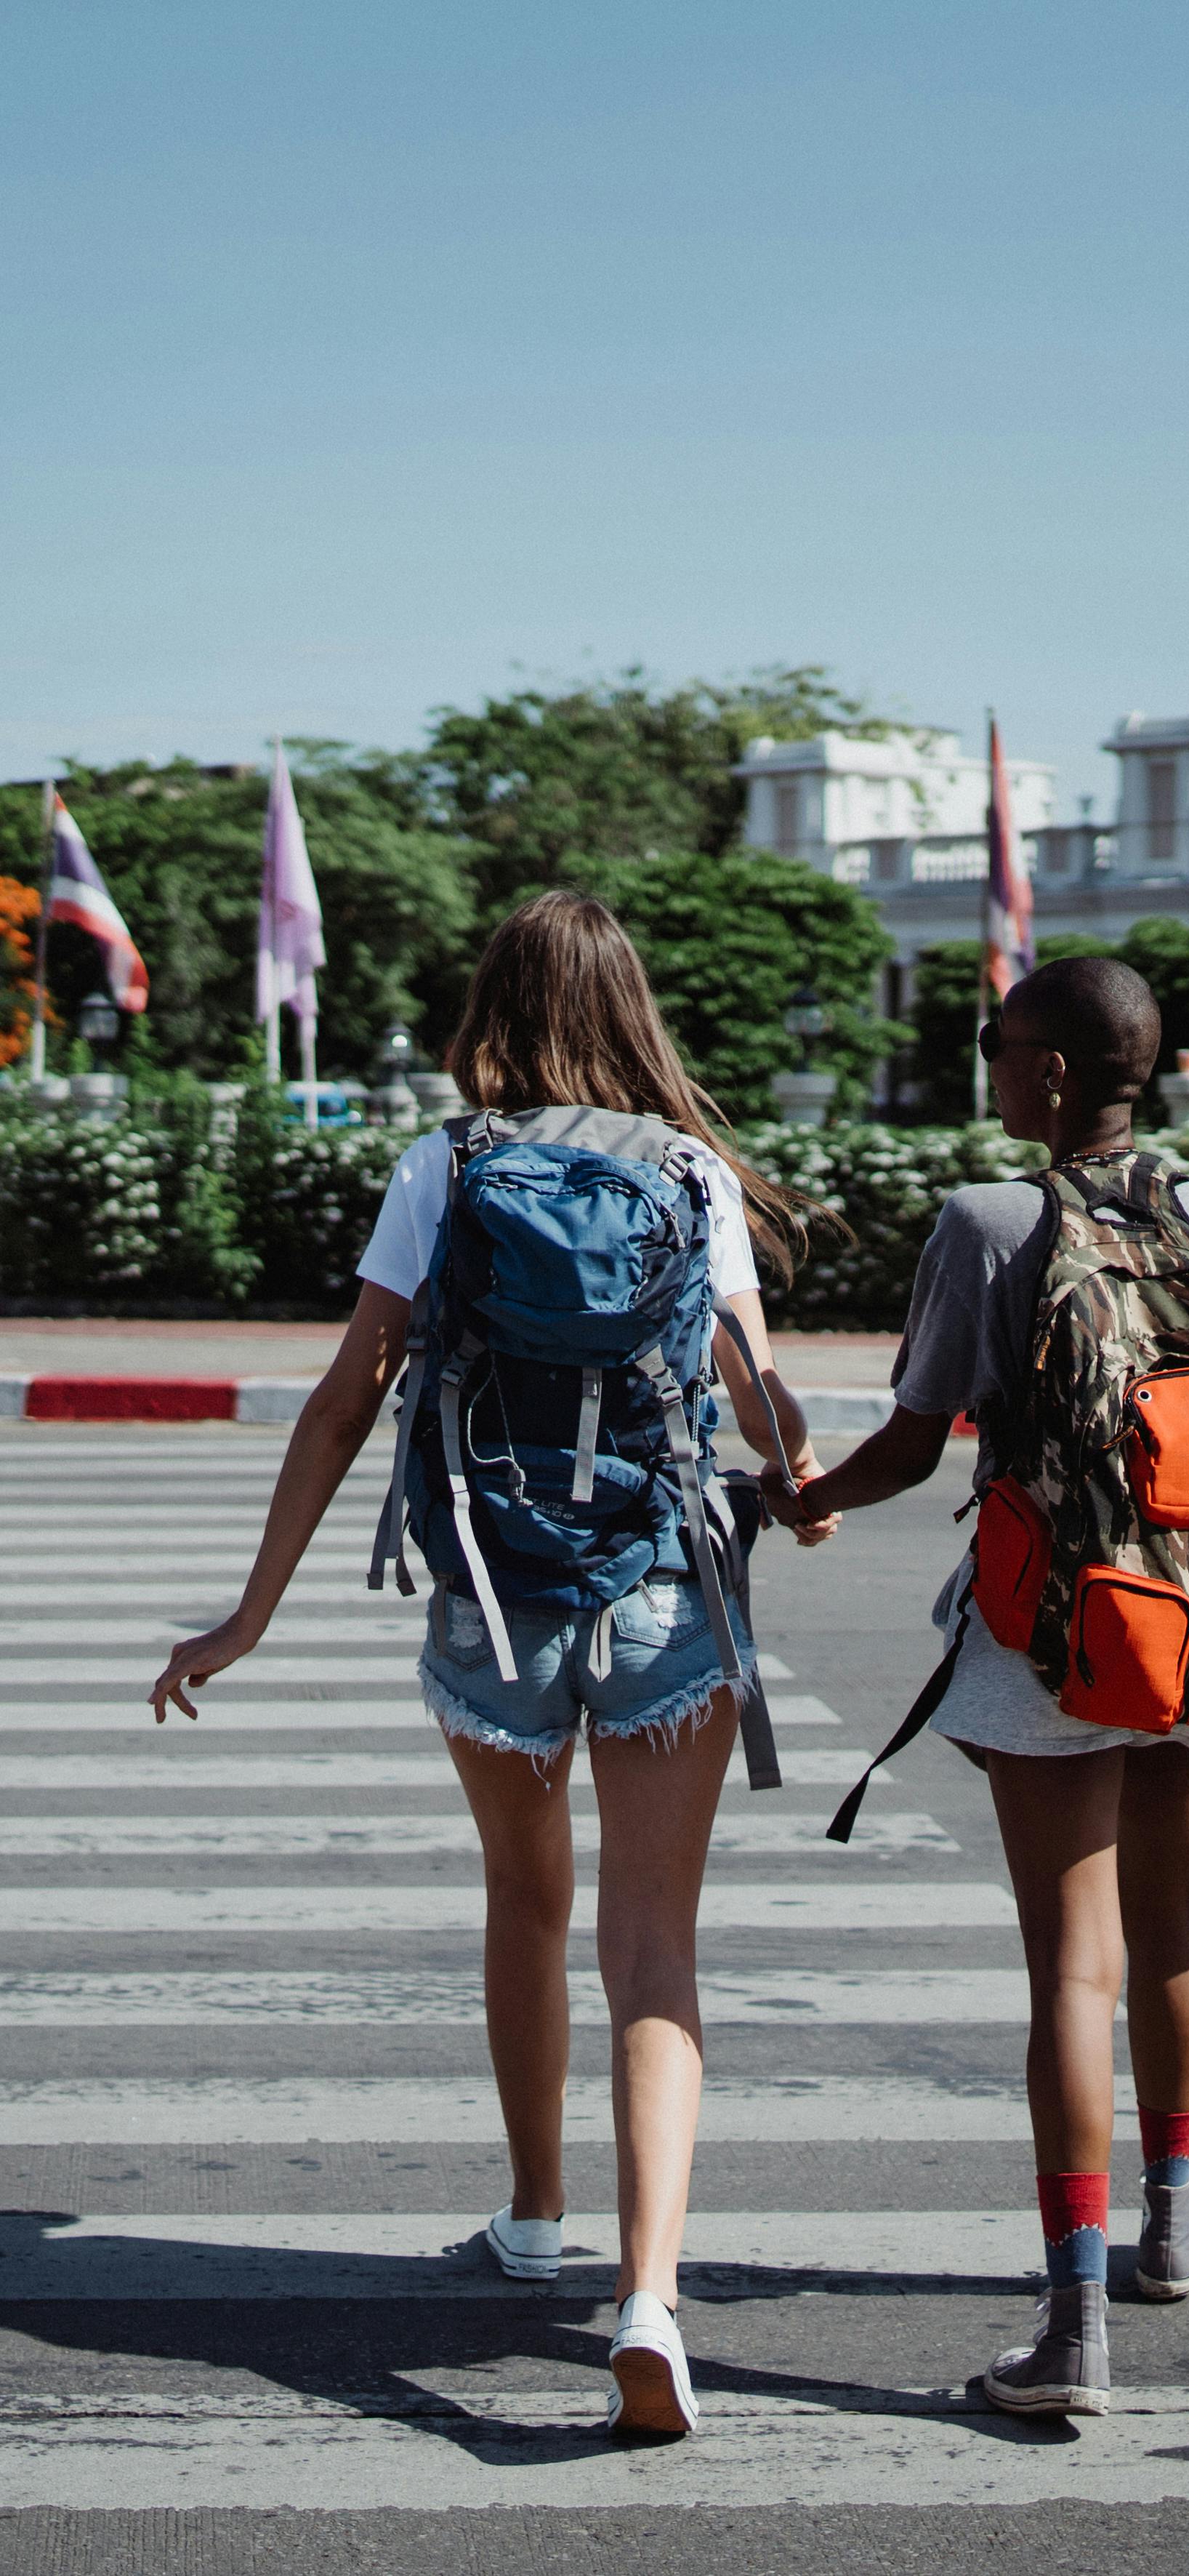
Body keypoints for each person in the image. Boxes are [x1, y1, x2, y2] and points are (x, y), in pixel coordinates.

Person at [149, 891, 837, 2439]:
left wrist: (247, 1613)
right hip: (665, 1586)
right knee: (655, 1945)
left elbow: (343, 1398)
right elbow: (754, 1385)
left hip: (490, 1591)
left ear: (496, 1005)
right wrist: (800, 1486)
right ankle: (647, 2292)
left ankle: (536, 2208)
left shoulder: (444, 1164)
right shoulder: (691, 1170)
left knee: (526, 1898)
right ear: (631, 1009)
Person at [765, 955, 1189, 2419]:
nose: (985, 1065)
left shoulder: (986, 1223)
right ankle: (1174, 2208)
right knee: (1167, 1931)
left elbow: (911, 1445)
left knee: (1070, 1962)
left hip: (1058, 1630)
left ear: (1053, 1070)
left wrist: (781, 1496)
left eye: (998, 1046)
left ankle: (1069, 2326)